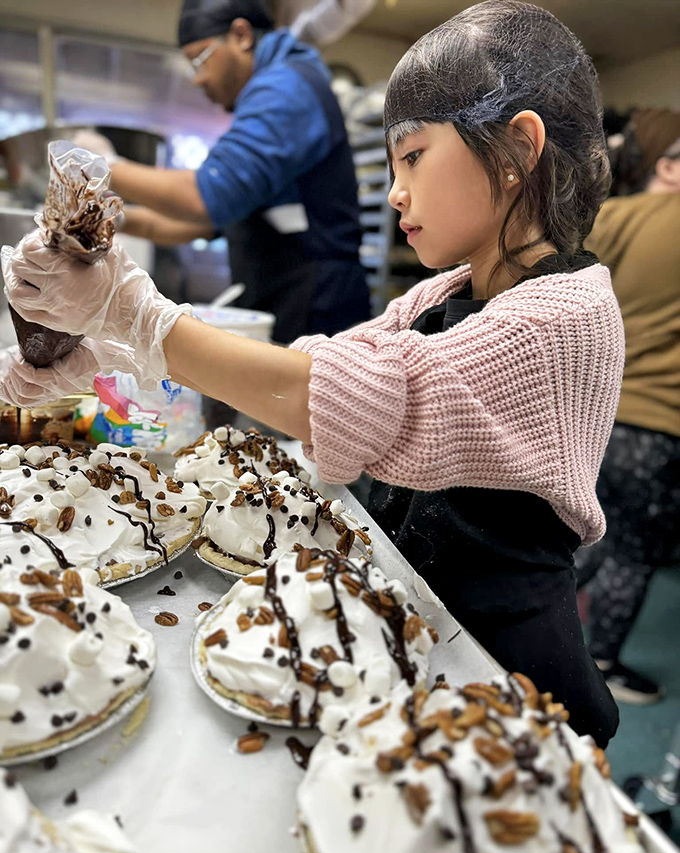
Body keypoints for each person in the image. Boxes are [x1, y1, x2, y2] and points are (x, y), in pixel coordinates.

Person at [2, 0, 622, 746]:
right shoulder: (447, 291)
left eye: (414, 156)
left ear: (519, 147)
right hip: (426, 607)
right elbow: (313, 364)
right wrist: (103, 348)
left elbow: (360, 395)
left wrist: (141, 317)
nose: (395, 192)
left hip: (507, 655)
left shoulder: (567, 314)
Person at [79, 0, 370, 343]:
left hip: (315, 306)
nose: (199, 79)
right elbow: (201, 222)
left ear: (241, 35)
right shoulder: (273, 88)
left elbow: (206, 197)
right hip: (282, 293)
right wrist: (119, 221)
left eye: (200, 60)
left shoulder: (285, 88)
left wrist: (98, 167)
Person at [575, 135, 680, 705]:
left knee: (590, 533)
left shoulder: (614, 217)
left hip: (598, 408)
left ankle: (512, 627)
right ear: (667, 165)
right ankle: (604, 662)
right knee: (635, 553)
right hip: (662, 423)